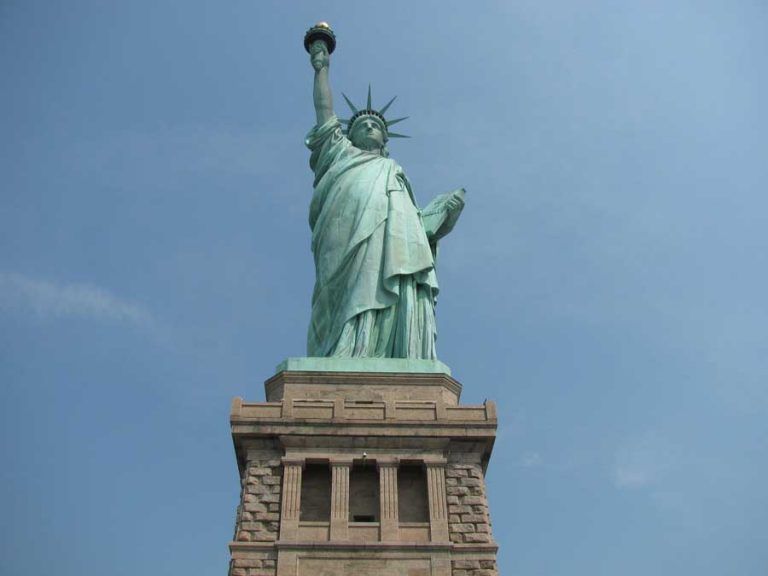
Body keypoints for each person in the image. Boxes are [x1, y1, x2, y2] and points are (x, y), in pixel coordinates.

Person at [305, 39, 465, 359]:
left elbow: (415, 230)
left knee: (395, 278)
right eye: (361, 123)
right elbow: (325, 113)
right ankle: (343, 348)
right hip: (344, 237)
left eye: (375, 125)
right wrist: (321, 68)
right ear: (348, 136)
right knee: (346, 292)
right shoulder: (338, 155)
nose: (368, 125)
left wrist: (439, 216)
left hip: (392, 247)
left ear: (385, 140)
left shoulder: (394, 172)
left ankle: (388, 350)